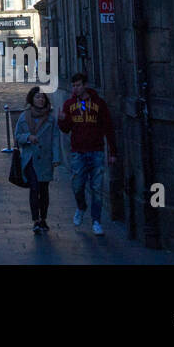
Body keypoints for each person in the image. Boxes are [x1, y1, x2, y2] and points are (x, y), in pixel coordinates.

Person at [57, 72, 118, 236]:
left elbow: (108, 127)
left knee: (97, 188)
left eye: (78, 85)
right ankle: (81, 206)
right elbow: (66, 129)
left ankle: (96, 221)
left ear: (85, 85)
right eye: (73, 85)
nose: (75, 88)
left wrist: (112, 151)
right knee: (77, 185)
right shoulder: (69, 104)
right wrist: (62, 119)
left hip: (96, 150)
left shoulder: (99, 103)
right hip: (78, 151)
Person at [15, 87, 60, 233]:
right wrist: (28, 137)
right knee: (34, 189)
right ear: (31, 99)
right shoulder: (24, 117)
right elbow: (17, 137)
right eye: (37, 97)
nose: (40, 100)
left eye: (42, 97)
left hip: (45, 159)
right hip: (30, 159)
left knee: (44, 190)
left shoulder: (51, 118)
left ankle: (43, 219)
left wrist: (56, 157)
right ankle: (36, 220)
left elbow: (55, 139)